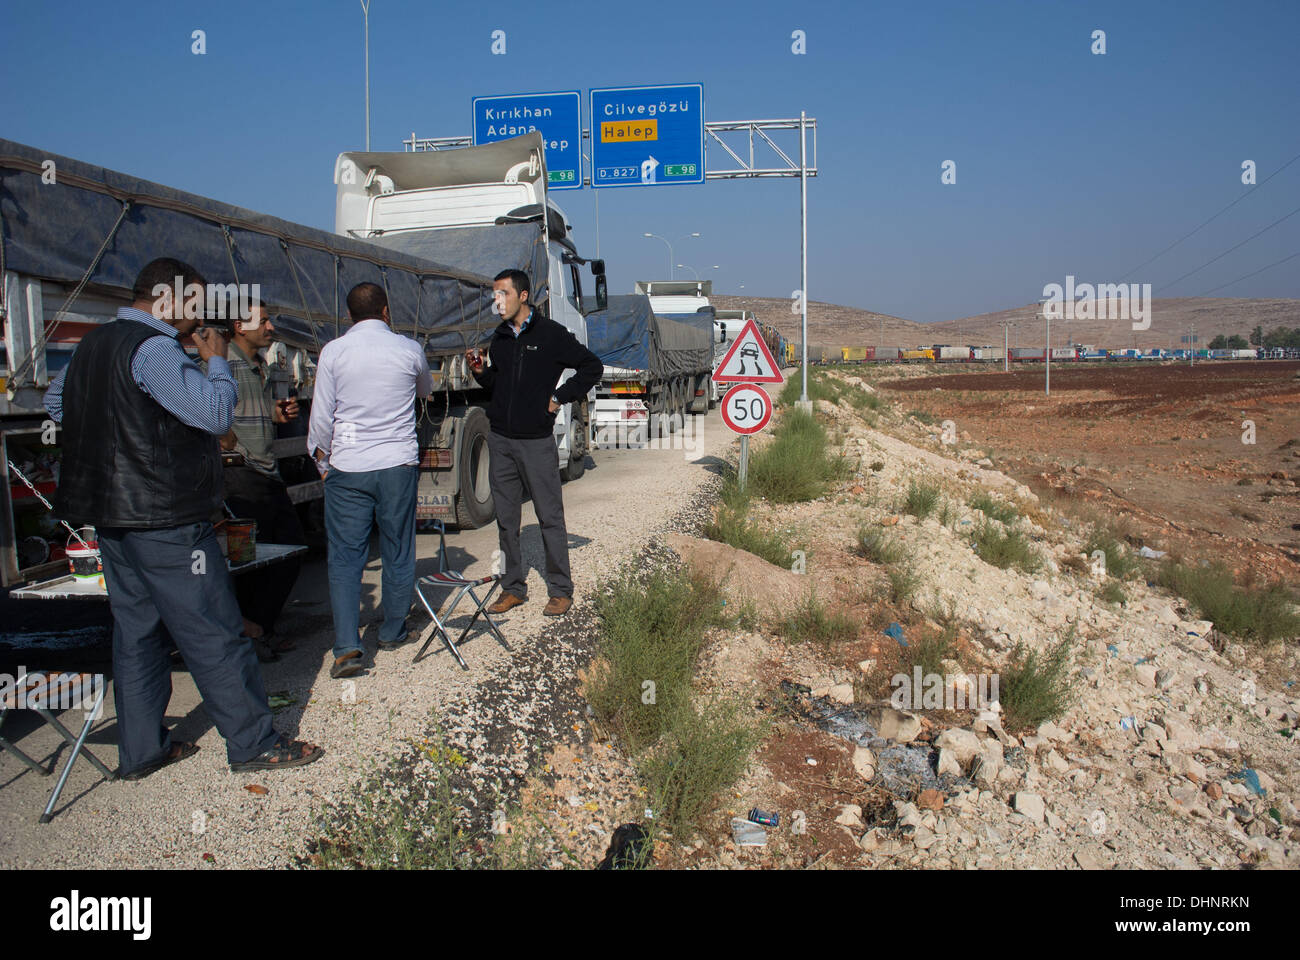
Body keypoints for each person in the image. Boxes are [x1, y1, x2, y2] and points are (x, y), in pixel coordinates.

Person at [44, 258, 322, 778]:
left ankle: (143, 749)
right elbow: (216, 416)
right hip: (165, 518)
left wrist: (123, 428)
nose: (201, 317)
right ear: (168, 300)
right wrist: (214, 361)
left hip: (113, 520)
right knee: (213, 629)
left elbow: (58, 403)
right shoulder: (154, 349)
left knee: (137, 633)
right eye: (195, 303)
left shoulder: (94, 345)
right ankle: (252, 743)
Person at [307, 282, 432, 678]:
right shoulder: (409, 350)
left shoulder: (333, 352)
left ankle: (346, 648)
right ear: (386, 312)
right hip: (397, 464)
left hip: (348, 467)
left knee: (345, 557)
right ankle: (394, 631)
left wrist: (323, 463)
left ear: (349, 316)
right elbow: (425, 391)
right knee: (398, 548)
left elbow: (322, 416)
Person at [465, 269, 602, 617]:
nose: (497, 301)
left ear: (523, 296)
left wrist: (560, 396)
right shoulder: (498, 338)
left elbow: (591, 366)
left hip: (536, 442)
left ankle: (560, 590)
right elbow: (499, 387)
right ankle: (513, 589)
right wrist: (482, 373)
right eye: (494, 295)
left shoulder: (551, 334)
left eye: (503, 294)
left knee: (549, 517)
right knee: (506, 520)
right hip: (501, 441)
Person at [208, 300, 307, 662]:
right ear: (238, 325)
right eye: (262, 321)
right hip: (240, 474)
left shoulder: (256, 364)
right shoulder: (225, 365)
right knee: (252, 561)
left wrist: (274, 414)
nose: (270, 328)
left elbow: (242, 411)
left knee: (286, 552)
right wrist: (224, 439)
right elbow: (208, 411)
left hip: (264, 471)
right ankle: (249, 636)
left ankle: (259, 628)